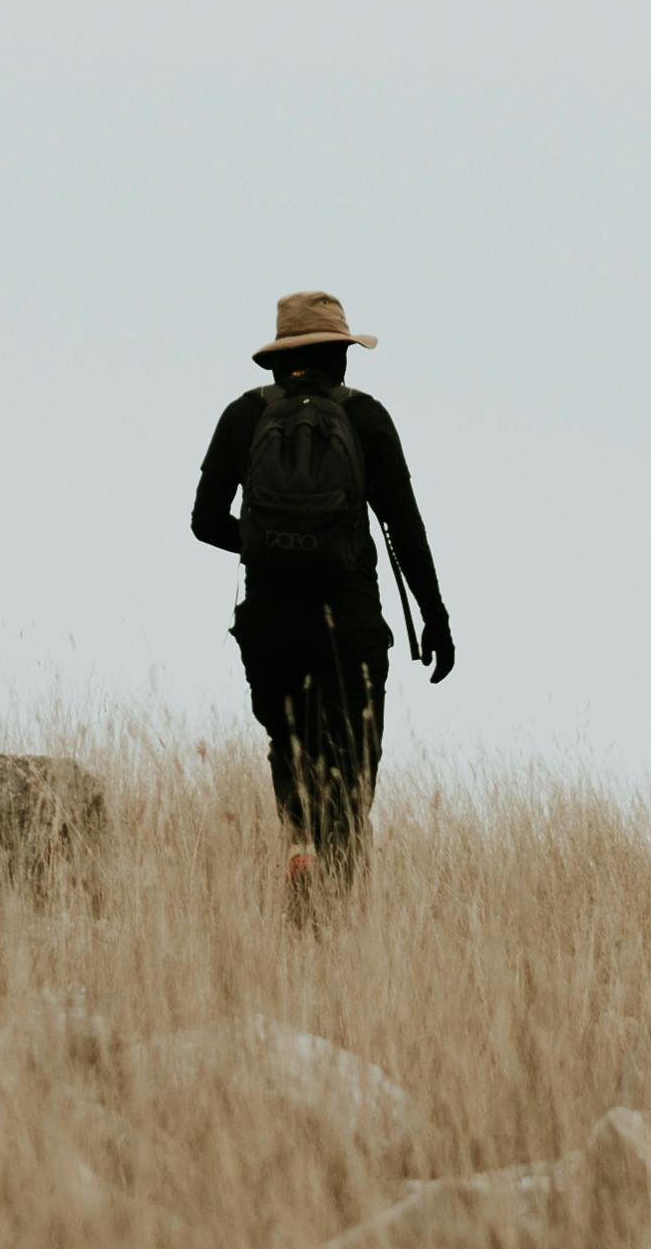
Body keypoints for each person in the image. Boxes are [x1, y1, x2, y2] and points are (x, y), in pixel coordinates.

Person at [190, 287, 454, 882]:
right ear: (340, 355)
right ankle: (337, 897)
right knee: (352, 770)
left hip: (270, 624)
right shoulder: (366, 417)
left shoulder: (243, 415)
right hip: (351, 621)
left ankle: (300, 848)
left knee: (292, 748)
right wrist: (435, 619)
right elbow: (405, 530)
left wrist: (266, 545)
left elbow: (204, 522)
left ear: (279, 357)